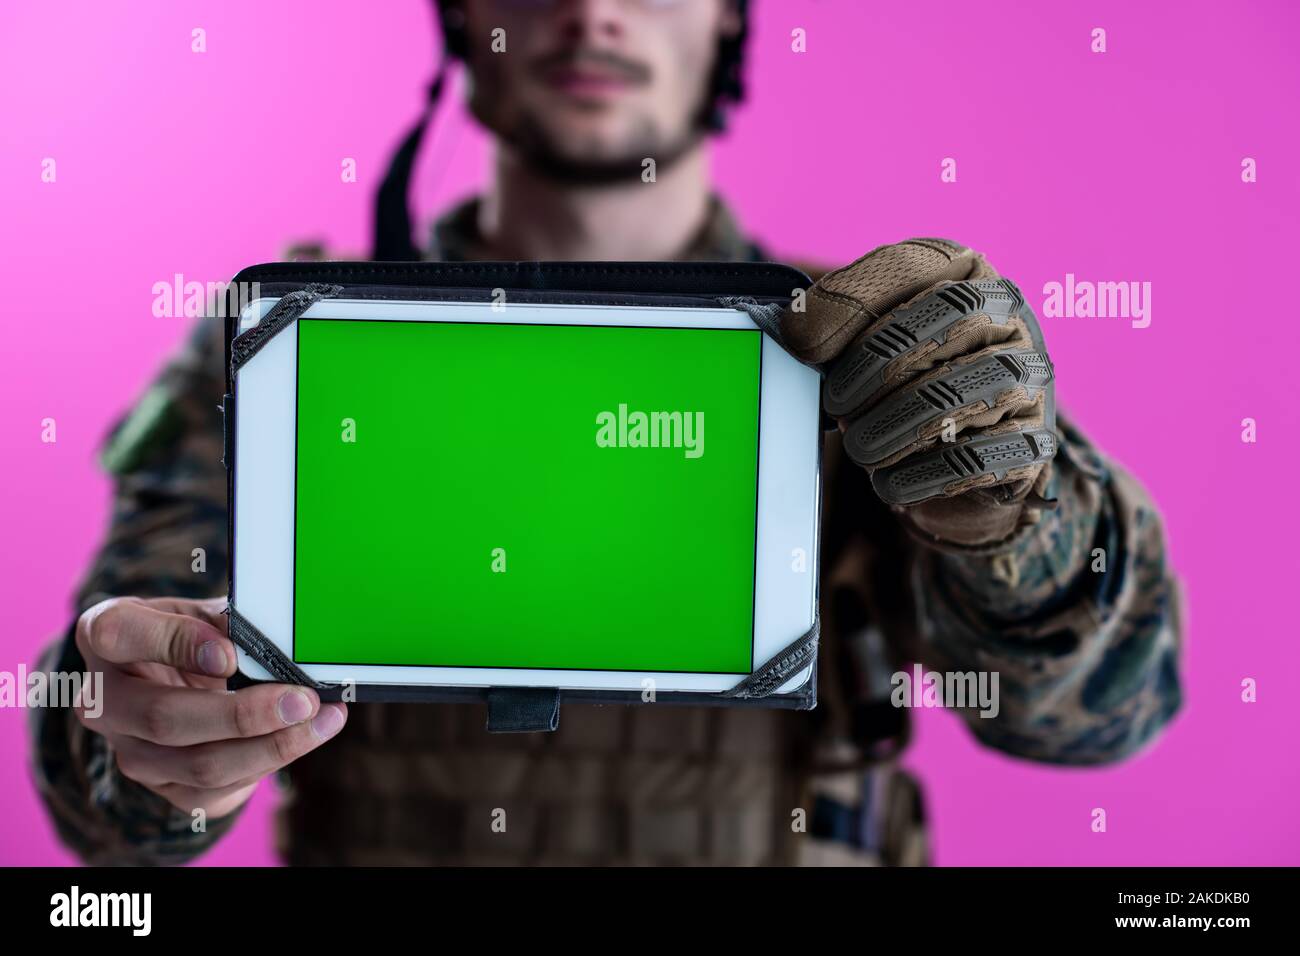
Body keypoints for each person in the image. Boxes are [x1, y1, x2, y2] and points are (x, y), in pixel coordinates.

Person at [31, 0, 1182, 866]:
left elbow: (1096, 719)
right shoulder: (288, 346)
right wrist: (144, 734)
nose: (591, 10)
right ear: (466, 14)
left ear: (727, 20)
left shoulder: (889, 350)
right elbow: (111, 764)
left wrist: (1019, 522)